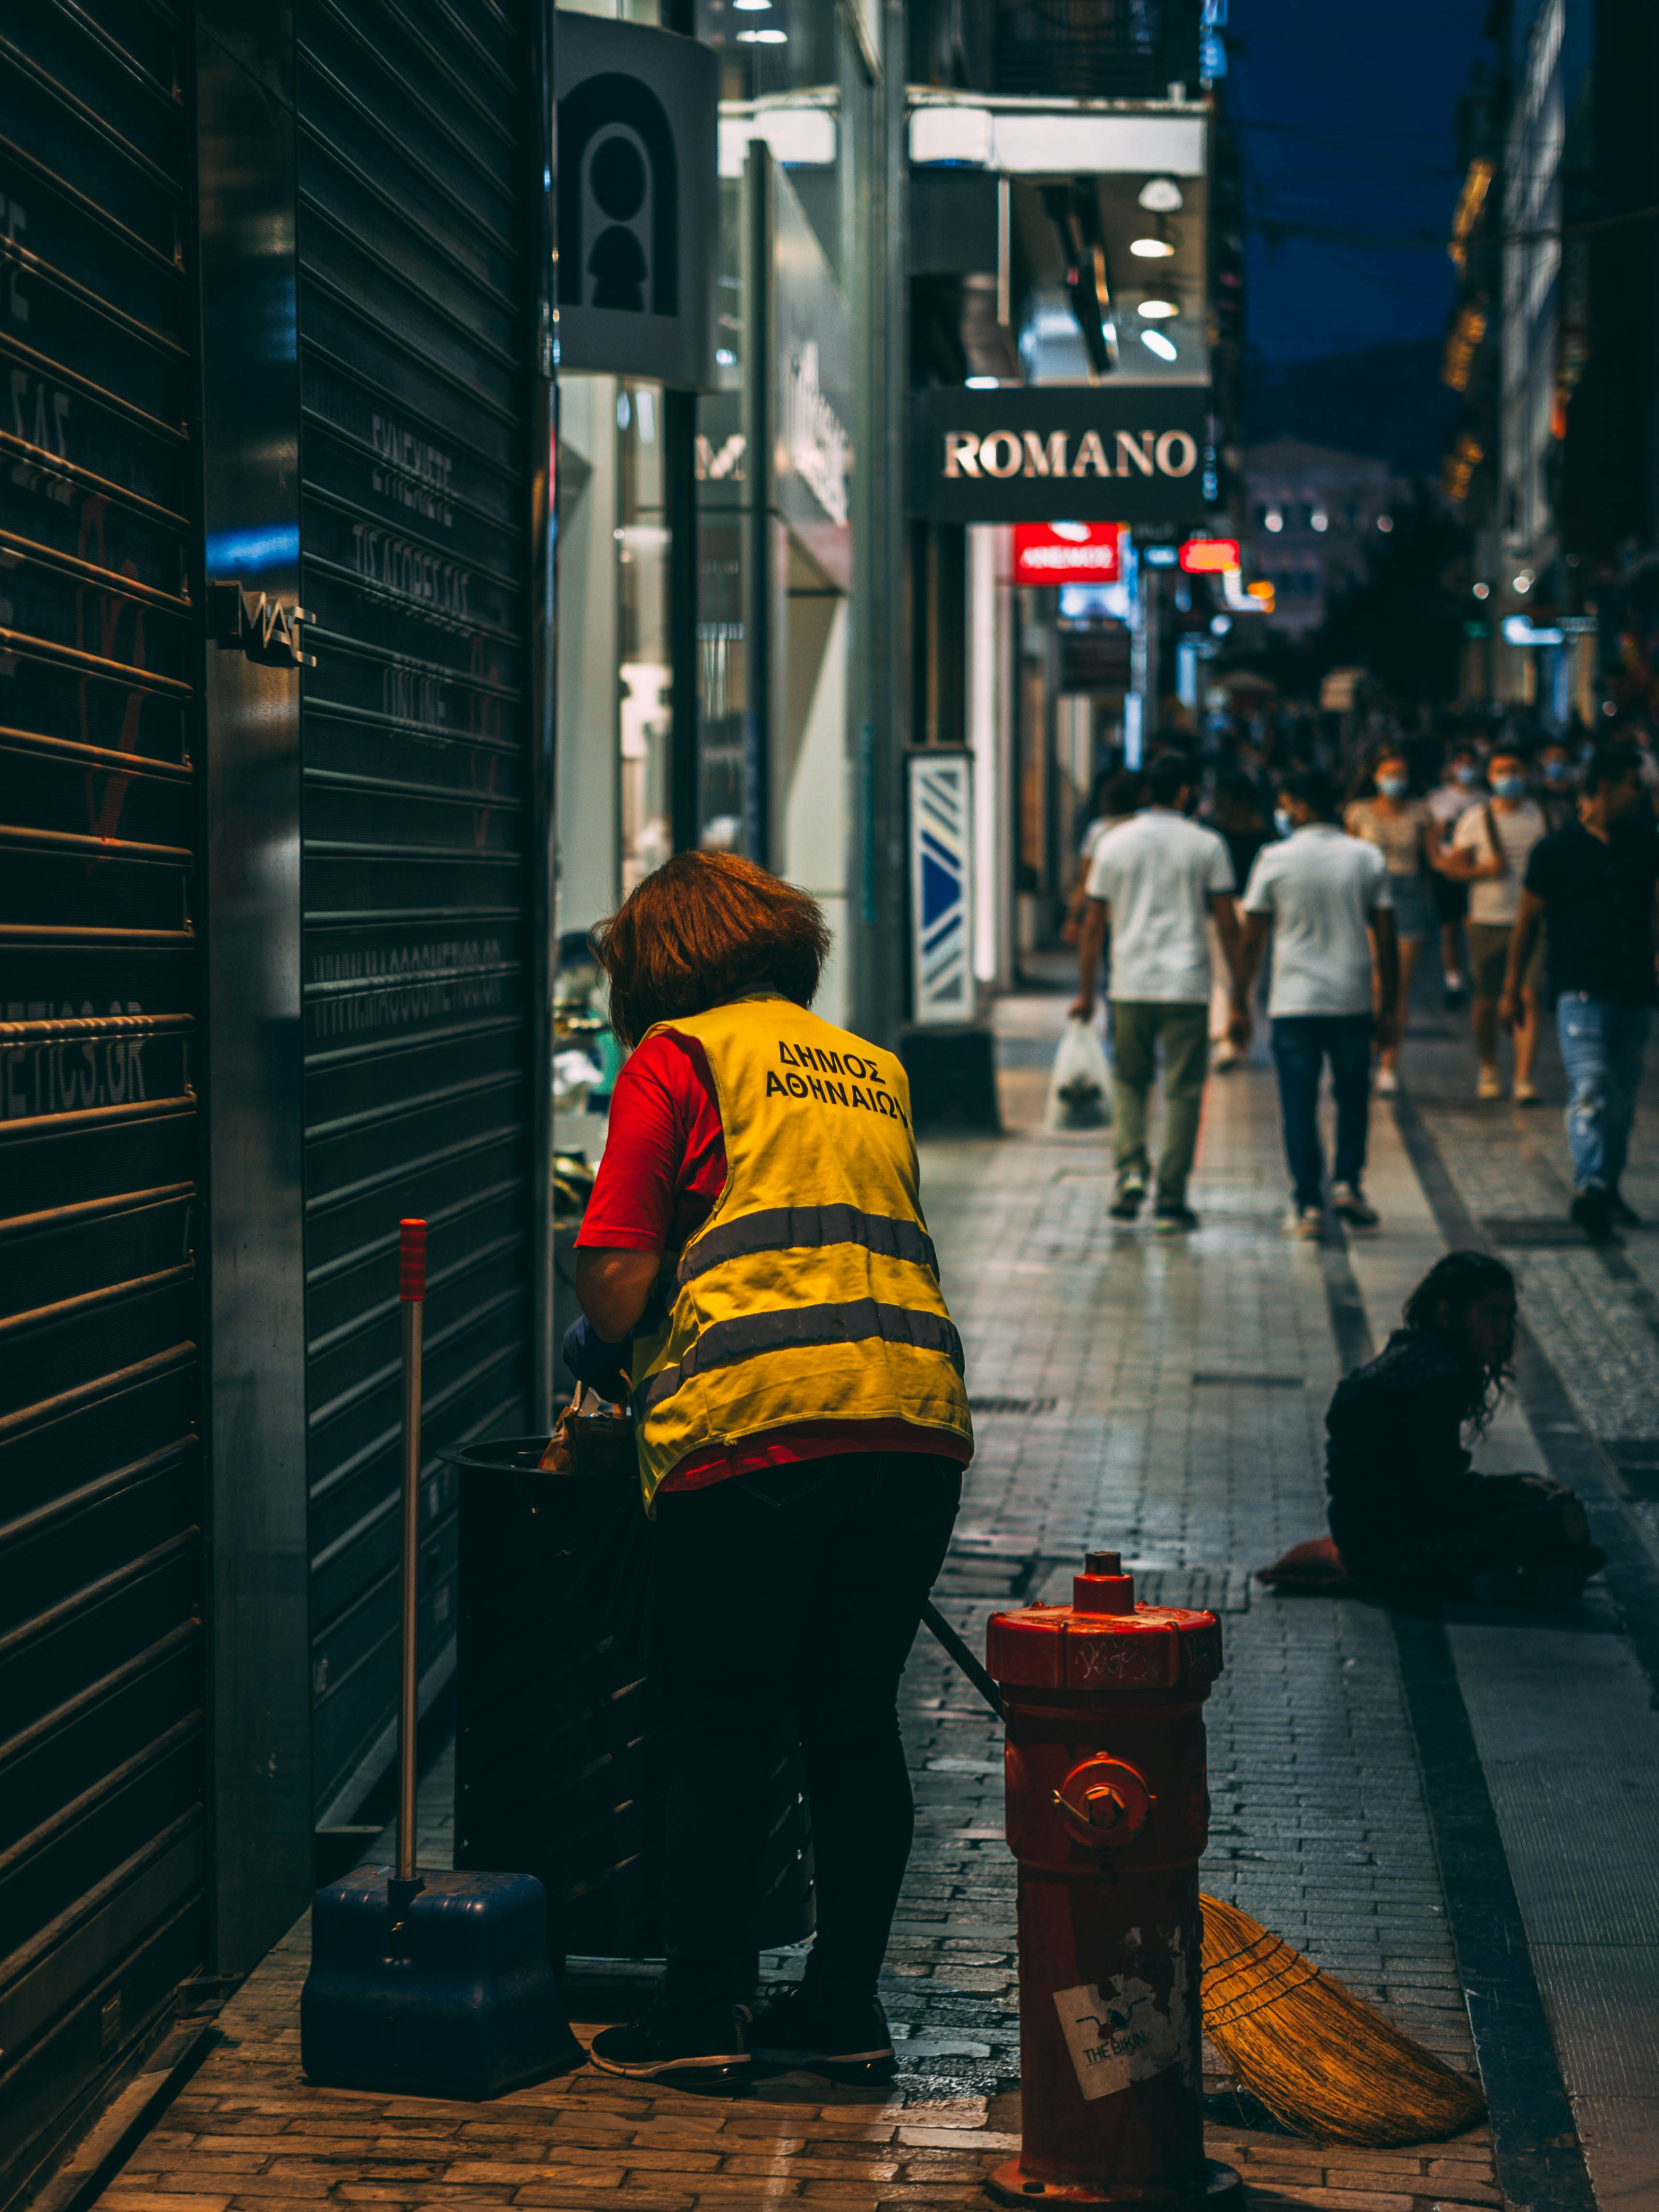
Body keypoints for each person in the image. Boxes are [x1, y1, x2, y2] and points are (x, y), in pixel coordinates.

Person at [567, 851, 974, 2082]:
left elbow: (618, 1272)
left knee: (722, 1727)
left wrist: (595, 1333)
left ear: (661, 964)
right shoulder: (871, 1066)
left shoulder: (676, 1058)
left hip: (755, 1430)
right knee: (850, 1721)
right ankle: (841, 2010)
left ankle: (698, 2016)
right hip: (909, 1425)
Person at [1325, 1252, 1603, 1605]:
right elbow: (1442, 1499)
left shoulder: (1416, 1356)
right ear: (1447, 1314)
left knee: (1550, 1505)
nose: (1503, 1331)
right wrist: (1513, 1491)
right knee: (1557, 1519)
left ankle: (1550, 1565)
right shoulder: (1435, 1381)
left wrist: (1517, 1485)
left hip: (1369, 1532)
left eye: (1508, 1317)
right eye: (1490, 1315)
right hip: (1392, 1548)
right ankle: (1527, 1574)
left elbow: (1434, 1484)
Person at [1071, 751, 1244, 1232]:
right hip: (1187, 986)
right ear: (1186, 792)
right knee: (1184, 1091)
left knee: (1130, 1081)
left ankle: (1129, 1172)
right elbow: (1228, 925)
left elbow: (1091, 926)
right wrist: (1240, 994)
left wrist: (1087, 992)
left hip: (1129, 984)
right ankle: (1170, 1200)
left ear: (1146, 791)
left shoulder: (1113, 843)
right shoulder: (1207, 844)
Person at [1501, 742, 1659, 1241]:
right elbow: (1526, 922)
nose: (1642, 796)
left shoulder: (1645, 842)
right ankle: (1589, 1184)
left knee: (1621, 1099)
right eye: (1636, 786)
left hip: (1634, 987)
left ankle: (1606, 1186)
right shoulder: (1556, 849)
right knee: (1589, 1085)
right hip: (1578, 986)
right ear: (1605, 787)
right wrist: (1510, 987)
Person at [1235, 767, 1398, 1240]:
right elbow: (1386, 939)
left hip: (1294, 1002)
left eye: (1285, 804)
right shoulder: (1365, 858)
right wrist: (1388, 1005)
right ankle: (1346, 1182)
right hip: (1351, 998)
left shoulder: (1273, 858)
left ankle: (1307, 1203)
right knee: (1352, 1097)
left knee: (1298, 1104)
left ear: (1302, 807)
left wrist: (1239, 1002)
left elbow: (1251, 938)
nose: (1282, 813)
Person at [1440, 744, 1548, 1102]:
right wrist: (1483, 870)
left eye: (1515, 769)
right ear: (1490, 776)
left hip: (1533, 921)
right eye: (1501, 771)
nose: (1509, 778)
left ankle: (1523, 1077)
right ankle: (1488, 1066)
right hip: (1488, 918)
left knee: (1529, 995)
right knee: (1486, 999)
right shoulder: (1475, 818)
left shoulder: (1542, 815)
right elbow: (1452, 869)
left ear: (1527, 773)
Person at [1344, 746, 1439, 1092]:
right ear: (1375, 775)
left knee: (1399, 983)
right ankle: (1370, 1046)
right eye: (1389, 773)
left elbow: (1435, 859)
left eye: (1401, 773)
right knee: (1375, 983)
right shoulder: (1358, 812)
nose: (1396, 780)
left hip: (1409, 893)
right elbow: (1349, 857)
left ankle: (1390, 1062)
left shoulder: (1421, 812)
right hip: (1370, 893)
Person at [1207, 771, 1272, 1069]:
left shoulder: (1214, 831)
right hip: (1255, 907)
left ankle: (1225, 1036)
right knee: (1250, 975)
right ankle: (1240, 1034)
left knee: (1222, 975)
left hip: (1220, 906)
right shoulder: (1263, 833)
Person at [1427, 742, 1486, 1004]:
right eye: (1460, 763)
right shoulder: (1437, 799)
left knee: (1474, 927)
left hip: (1477, 872)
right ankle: (1454, 983)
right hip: (1448, 872)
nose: (1466, 769)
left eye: (1470, 763)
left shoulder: (1486, 800)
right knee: (1449, 930)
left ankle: (1478, 976)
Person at [1060, 767, 1144, 945]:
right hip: (1139, 911)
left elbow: (1084, 878)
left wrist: (1074, 917)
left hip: (1105, 911)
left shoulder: (1099, 831)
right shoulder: (1143, 831)